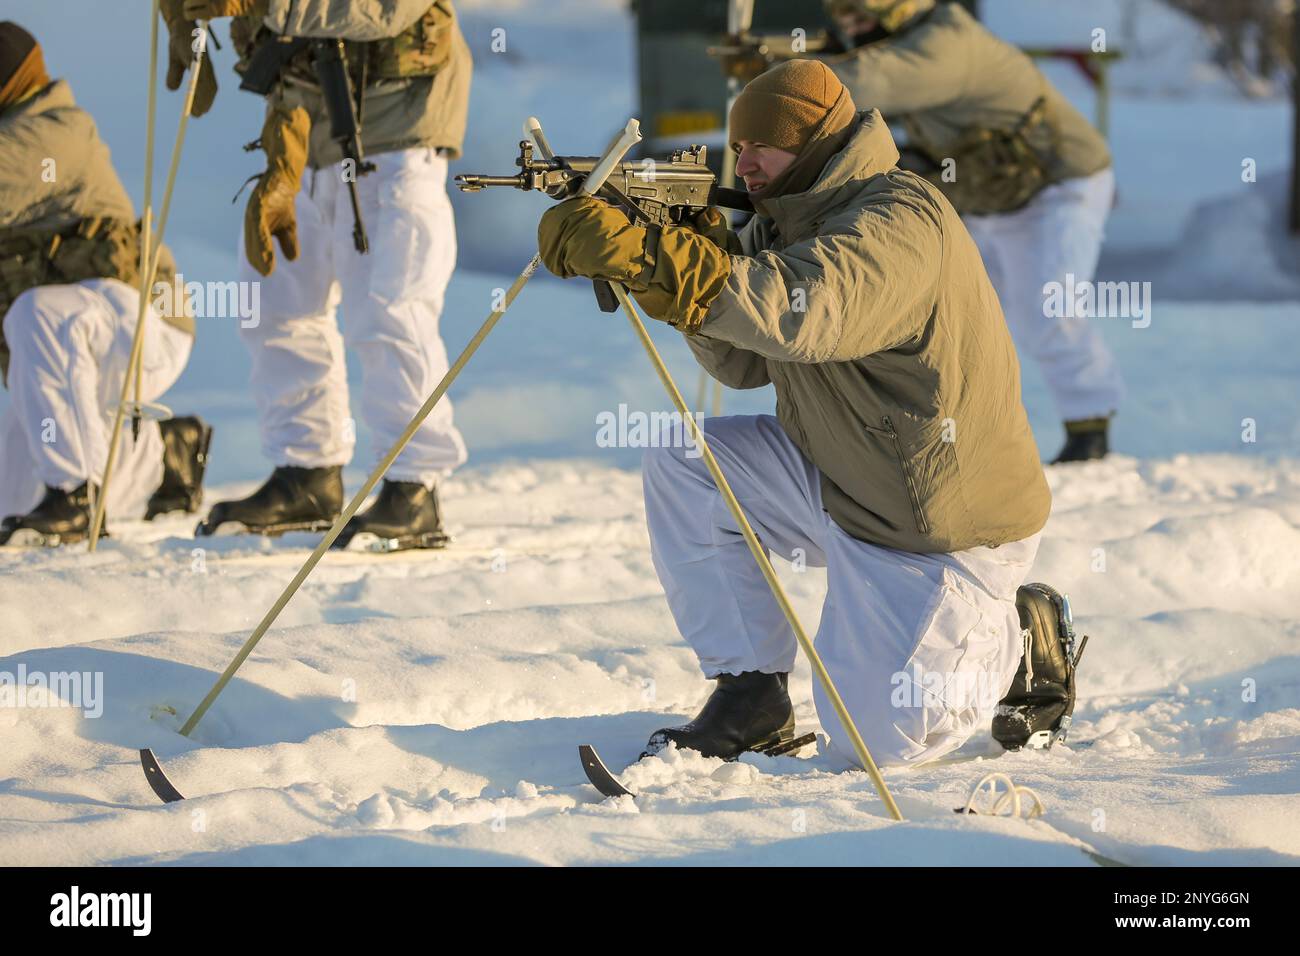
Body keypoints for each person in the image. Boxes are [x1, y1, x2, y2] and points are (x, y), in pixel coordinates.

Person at [537, 60, 1070, 768]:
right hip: (841, 479)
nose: (747, 161)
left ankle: (1018, 641)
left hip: (934, 527)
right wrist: (695, 253)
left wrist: (662, 262)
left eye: (766, 144)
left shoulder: (898, 217)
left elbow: (804, 310)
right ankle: (752, 694)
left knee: (881, 745)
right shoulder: (786, 219)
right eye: (740, 146)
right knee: (686, 460)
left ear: (818, 141)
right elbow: (743, 363)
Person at [165, 0, 471, 549]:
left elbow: (384, 10)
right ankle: (307, 473)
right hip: (300, 132)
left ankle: (415, 486)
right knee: (277, 305)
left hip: (395, 127)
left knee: (390, 311)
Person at [816, 0, 1125, 462]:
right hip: (989, 193)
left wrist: (782, 75)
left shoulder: (947, 42)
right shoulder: (908, 42)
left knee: (1048, 307)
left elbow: (869, 81)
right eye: (844, 16)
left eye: (861, 14)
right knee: (964, 314)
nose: (851, 25)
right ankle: (961, 436)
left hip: (1058, 185)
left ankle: (1090, 426)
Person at [0, 21, 209, 548]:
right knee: (13, 505)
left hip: (144, 328)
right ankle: (163, 458)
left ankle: (75, 496)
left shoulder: (53, 133)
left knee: (38, 313)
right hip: (83, 347)